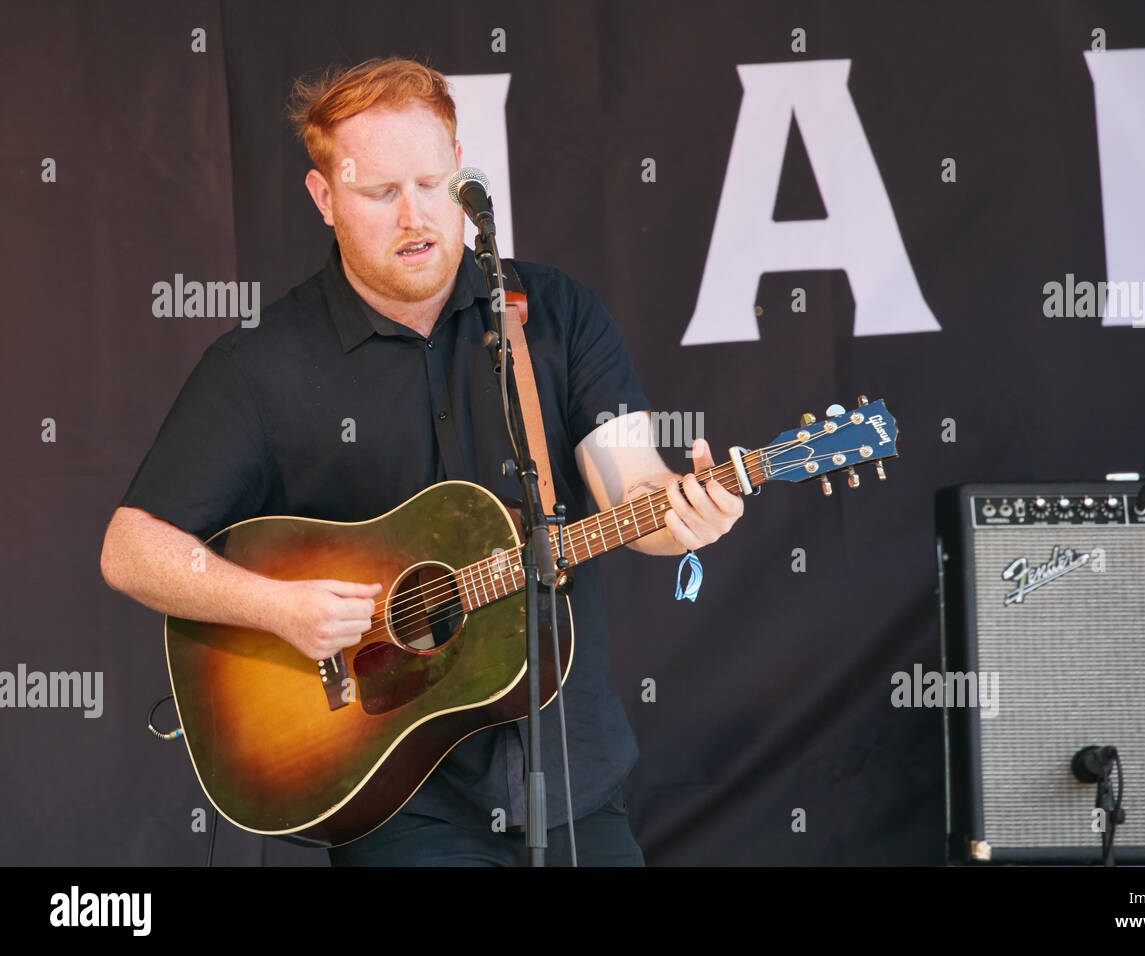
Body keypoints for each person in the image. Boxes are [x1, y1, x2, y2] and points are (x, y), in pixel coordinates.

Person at [98, 56, 743, 866]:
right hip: (400, 801)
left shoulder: (550, 316)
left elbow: (634, 490)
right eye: (380, 193)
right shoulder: (260, 366)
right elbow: (131, 549)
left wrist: (686, 516)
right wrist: (279, 609)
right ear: (324, 198)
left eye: (436, 184)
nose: (418, 216)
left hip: (574, 779)